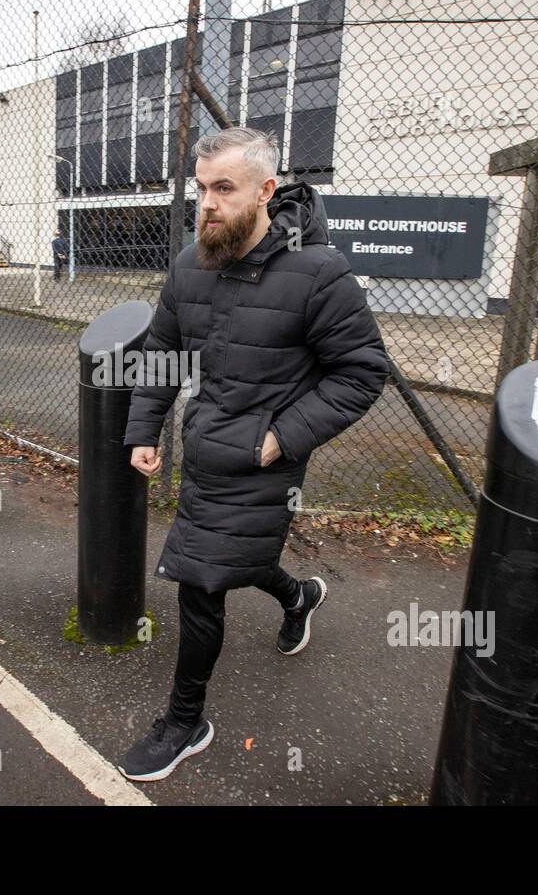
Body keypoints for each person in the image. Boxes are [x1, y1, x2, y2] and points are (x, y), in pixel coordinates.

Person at [117, 127, 390, 781]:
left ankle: (186, 723)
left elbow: (361, 373)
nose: (206, 204)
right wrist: (143, 428)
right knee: (235, 557)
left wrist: (280, 438)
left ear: (265, 191)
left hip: (265, 458)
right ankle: (298, 596)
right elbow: (161, 351)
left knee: (202, 579)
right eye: (201, 189)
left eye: (224, 189)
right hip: (208, 446)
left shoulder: (319, 274)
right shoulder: (190, 265)